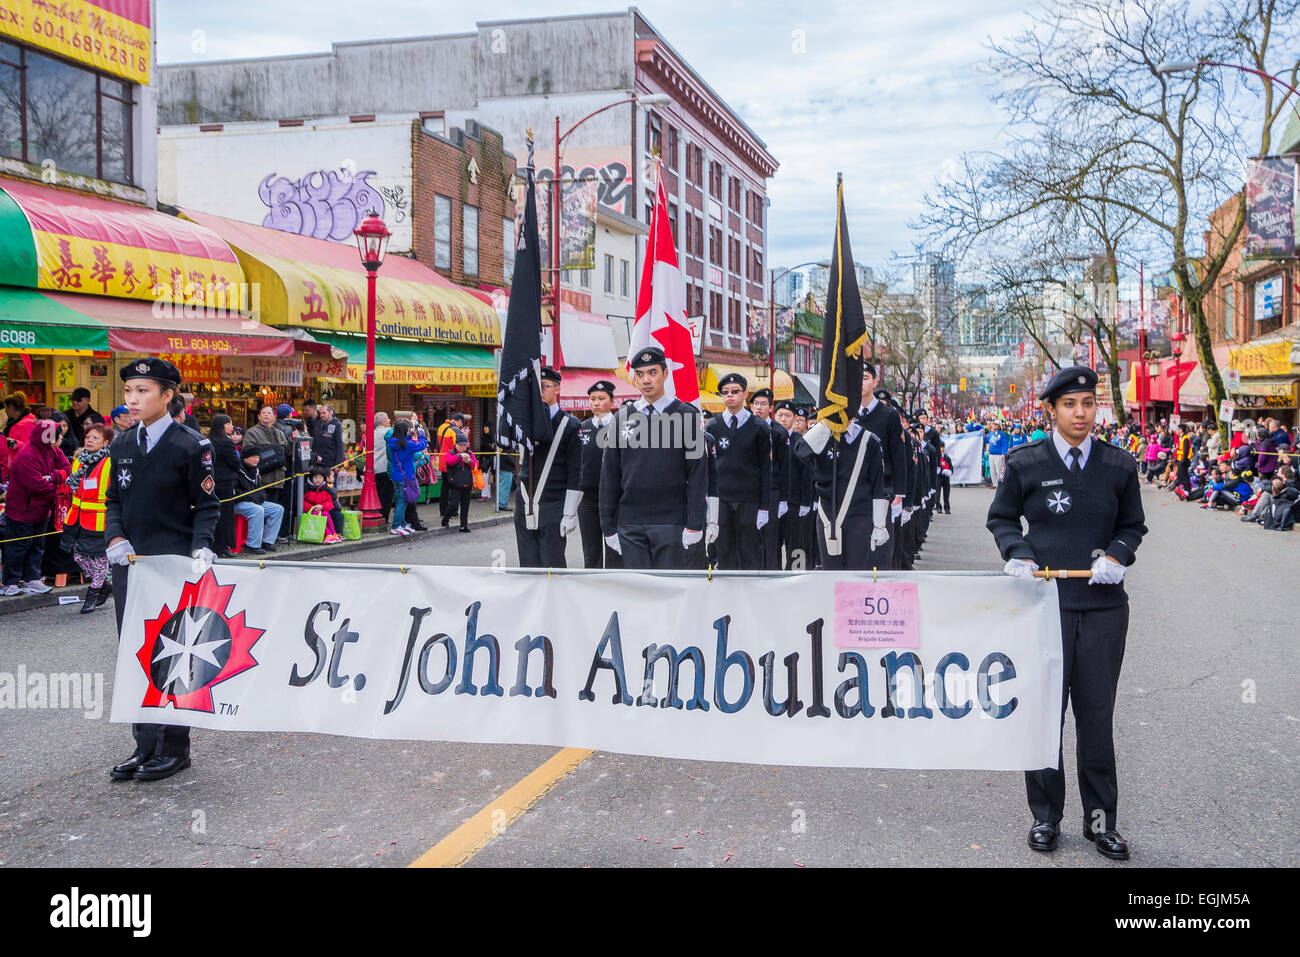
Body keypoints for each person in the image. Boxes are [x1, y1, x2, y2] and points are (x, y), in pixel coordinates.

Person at [986, 365, 1146, 861]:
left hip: (1101, 609)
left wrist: (1118, 555)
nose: (1081, 413)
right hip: (1044, 606)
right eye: (1070, 405)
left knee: (1096, 720)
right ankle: (1045, 817)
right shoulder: (1025, 462)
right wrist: (1018, 552)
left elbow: (1133, 525)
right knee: (1044, 717)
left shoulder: (1119, 465)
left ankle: (1101, 822)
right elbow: (1001, 518)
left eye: (1088, 404)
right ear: (1051, 410)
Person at [104, 357, 220, 782]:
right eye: (129, 392)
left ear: (168, 396)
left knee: (173, 655)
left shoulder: (192, 445)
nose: (132, 400)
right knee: (136, 653)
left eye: (143, 391)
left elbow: (207, 505)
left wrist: (201, 548)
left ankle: (174, 747)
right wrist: (115, 538)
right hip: (132, 566)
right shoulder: (121, 444)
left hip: (174, 565)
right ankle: (144, 745)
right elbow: (113, 500)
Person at [600, 347, 706, 570]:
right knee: (637, 595)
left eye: (652, 372)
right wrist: (607, 526)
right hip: (630, 524)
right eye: (640, 374)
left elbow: (698, 474)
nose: (646, 380)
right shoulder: (621, 418)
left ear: (665, 374)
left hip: (672, 524)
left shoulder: (687, 416)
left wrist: (695, 524)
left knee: (669, 594)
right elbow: (609, 475)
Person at [794, 391, 888, 571]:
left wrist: (879, 524)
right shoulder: (821, 438)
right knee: (832, 574)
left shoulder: (869, 441)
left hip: (859, 515)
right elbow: (801, 452)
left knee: (856, 573)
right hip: (828, 515)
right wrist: (826, 424)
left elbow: (878, 485)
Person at [515, 368, 582, 567]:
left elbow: (575, 471)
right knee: (528, 566)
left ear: (558, 389)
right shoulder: (524, 423)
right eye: (537, 388)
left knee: (552, 565)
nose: (541, 392)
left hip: (553, 503)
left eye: (545, 387)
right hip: (525, 503)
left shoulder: (570, 425)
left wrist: (570, 513)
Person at [705, 373, 770, 570]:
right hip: (722, 499)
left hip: (749, 499)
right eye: (725, 393)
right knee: (724, 552)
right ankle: (726, 598)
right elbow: (708, 468)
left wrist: (764, 507)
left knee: (749, 551)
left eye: (735, 391)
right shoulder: (712, 426)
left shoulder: (759, 427)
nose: (730, 396)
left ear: (745, 394)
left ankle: (750, 596)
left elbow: (766, 469)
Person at [1, 419, 70, 596]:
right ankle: (10, 582)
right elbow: (36, 484)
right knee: (18, 547)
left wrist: (51, 477)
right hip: (21, 511)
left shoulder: (53, 451)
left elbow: (67, 470)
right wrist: (55, 483)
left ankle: (32, 579)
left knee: (37, 546)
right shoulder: (27, 455)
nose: (61, 438)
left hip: (41, 510)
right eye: (58, 435)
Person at [61, 421, 113, 612]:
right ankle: (105, 585)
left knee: (99, 559)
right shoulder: (79, 460)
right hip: (77, 517)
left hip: (100, 518)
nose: (89, 441)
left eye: (95, 438)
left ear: (106, 442)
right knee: (77, 555)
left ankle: (93, 594)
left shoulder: (110, 462)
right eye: (88, 437)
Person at [577, 380, 620, 569]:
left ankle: (614, 589)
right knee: (591, 550)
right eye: (592, 398)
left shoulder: (621, 427)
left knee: (616, 550)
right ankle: (592, 589)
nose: (596, 402)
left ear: (612, 401)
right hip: (587, 498)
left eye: (601, 398)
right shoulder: (582, 427)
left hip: (614, 496)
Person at [749, 387, 789, 570]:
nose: (759, 408)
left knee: (770, 538)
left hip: (772, 489)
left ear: (771, 408)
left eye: (763, 404)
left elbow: (784, 466)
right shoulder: (746, 427)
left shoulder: (778, 431)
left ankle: (770, 574)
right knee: (750, 537)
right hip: (750, 490)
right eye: (756, 404)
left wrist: (783, 498)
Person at [774, 400, 813, 569]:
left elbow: (807, 474)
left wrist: (806, 502)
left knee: (796, 544)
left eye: (788, 415)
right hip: (774, 500)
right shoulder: (770, 437)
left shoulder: (801, 440)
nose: (783, 419)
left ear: (795, 418)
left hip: (795, 502)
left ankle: (796, 575)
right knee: (773, 543)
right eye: (780, 415)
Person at [243, 404, 291, 533]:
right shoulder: (252, 432)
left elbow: (287, 452)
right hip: (261, 477)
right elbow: (247, 453)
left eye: (269, 413)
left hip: (277, 478)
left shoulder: (280, 433)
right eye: (263, 413)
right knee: (260, 509)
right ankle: (257, 538)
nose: (266, 415)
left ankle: (268, 539)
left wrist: (293, 440)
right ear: (258, 417)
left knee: (274, 509)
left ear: (274, 417)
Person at [233, 448, 285, 554]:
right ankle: (252, 545)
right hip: (239, 503)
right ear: (245, 458)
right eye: (253, 457)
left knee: (278, 509)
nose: (256, 460)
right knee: (257, 510)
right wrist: (252, 497)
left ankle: (267, 541)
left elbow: (261, 491)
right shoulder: (236, 471)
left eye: (258, 457)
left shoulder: (256, 471)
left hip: (255, 501)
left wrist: (259, 496)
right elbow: (236, 493)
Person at [208, 414, 241, 557]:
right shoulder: (226, 442)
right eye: (229, 424)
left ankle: (213, 544)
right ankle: (223, 546)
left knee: (213, 513)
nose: (232, 426)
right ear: (222, 426)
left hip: (212, 482)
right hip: (225, 482)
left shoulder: (209, 441)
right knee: (226, 514)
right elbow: (235, 462)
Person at [387, 419, 427, 536]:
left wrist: (410, 434)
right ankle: (396, 526)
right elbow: (421, 445)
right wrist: (421, 434)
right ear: (404, 431)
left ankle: (402, 524)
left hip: (396, 475)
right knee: (402, 502)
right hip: (406, 476)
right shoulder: (407, 445)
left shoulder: (393, 442)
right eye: (408, 430)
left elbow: (404, 441)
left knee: (401, 500)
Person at [441, 430, 478, 532]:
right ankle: (446, 518)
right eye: (460, 445)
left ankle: (463, 525)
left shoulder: (470, 453)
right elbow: (449, 461)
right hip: (455, 483)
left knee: (465, 506)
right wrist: (459, 456)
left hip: (467, 483)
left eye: (464, 445)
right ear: (455, 444)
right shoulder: (450, 453)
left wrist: (469, 461)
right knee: (453, 505)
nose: (462, 447)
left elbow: (476, 465)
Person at [302, 466, 345, 543]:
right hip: (311, 510)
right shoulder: (306, 488)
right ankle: (328, 535)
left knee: (326, 514)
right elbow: (302, 502)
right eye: (315, 477)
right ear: (312, 478)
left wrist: (322, 506)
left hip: (322, 509)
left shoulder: (326, 488)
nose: (318, 480)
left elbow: (330, 502)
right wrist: (312, 507)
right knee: (317, 514)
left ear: (323, 478)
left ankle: (334, 534)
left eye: (320, 478)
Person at [2, 391, 37, 482]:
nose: (5, 411)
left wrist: (15, 444)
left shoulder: (26, 425)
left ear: (12, 408)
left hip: (20, 470)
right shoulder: (14, 423)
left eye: (6, 408)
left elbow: (29, 449)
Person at [372, 412, 394, 525]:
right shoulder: (388, 432)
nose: (390, 420)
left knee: (377, 494)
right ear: (383, 421)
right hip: (386, 468)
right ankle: (384, 518)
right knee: (386, 496)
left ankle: (377, 516)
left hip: (374, 469)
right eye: (388, 419)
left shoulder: (371, 434)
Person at [312, 404, 345, 473]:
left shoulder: (337, 425)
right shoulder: (318, 424)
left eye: (324, 413)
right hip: (317, 462)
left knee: (330, 483)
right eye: (320, 413)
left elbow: (340, 445)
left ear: (331, 412)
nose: (321, 415)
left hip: (330, 463)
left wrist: (338, 464)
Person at [986, 421, 1009, 486]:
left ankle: (1000, 484)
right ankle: (995, 484)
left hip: (998, 455)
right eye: (993, 424)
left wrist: (1003, 453)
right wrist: (983, 435)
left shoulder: (1002, 434)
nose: (994, 425)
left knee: (998, 470)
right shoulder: (990, 433)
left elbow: (1005, 444)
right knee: (992, 470)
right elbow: (986, 440)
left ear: (999, 426)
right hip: (991, 454)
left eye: (996, 424)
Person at [937, 442, 953, 514]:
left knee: (946, 494)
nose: (942, 449)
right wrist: (941, 471)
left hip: (946, 478)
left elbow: (951, 467)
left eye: (943, 447)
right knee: (937, 493)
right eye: (940, 447)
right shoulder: (936, 457)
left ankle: (947, 508)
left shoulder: (947, 457)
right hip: (938, 478)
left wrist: (950, 471)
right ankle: (938, 507)